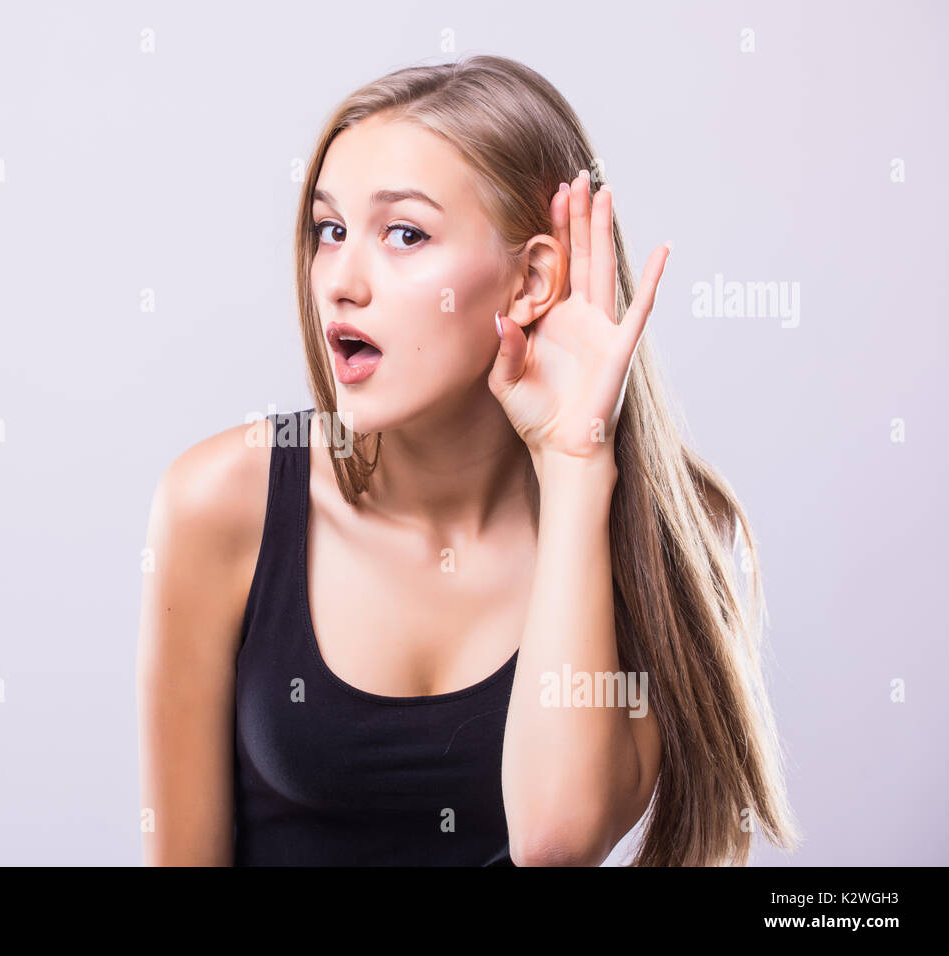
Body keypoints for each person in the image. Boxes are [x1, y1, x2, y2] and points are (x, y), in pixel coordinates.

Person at [136, 54, 801, 866]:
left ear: (530, 281)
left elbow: (556, 837)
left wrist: (576, 461)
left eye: (405, 234)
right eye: (330, 230)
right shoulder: (221, 502)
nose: (340, 281)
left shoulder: (669, 539)